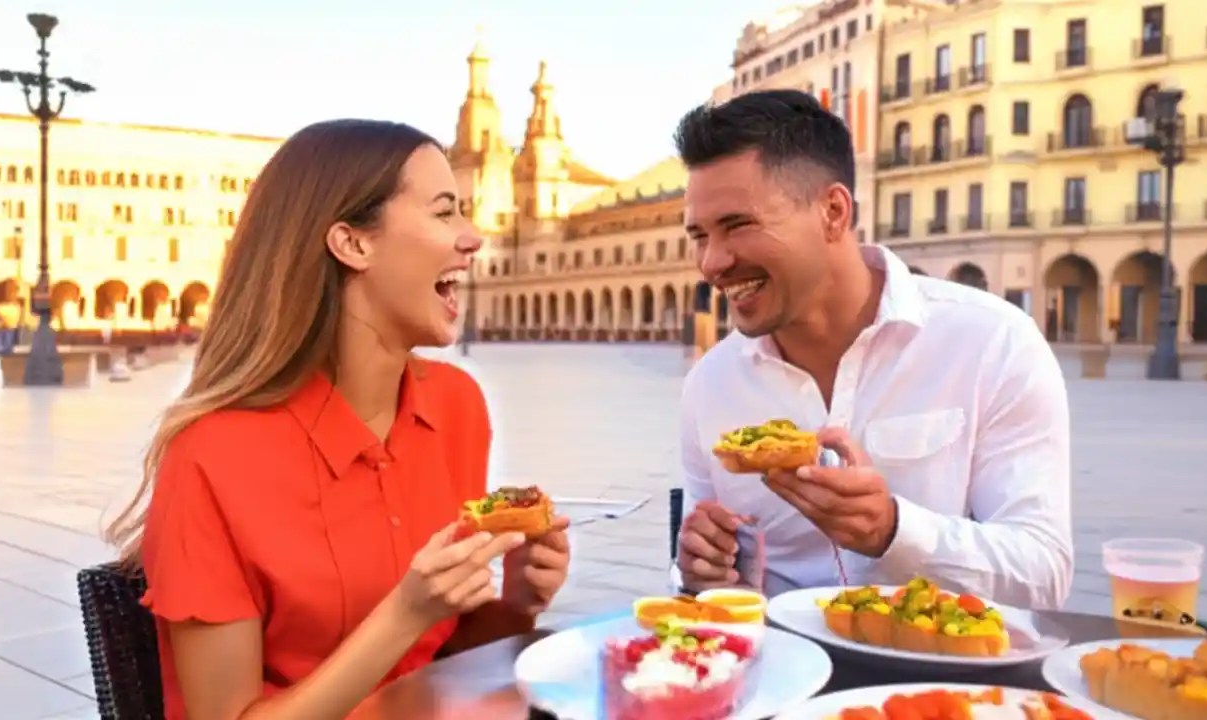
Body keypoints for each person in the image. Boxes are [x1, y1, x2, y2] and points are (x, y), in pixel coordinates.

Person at [103, 119, 571, 720]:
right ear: (353, 243)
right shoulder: (211, 457)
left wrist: (513, 603)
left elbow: (445, 661)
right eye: (444, 212)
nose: (473, 237)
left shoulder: (457, 405)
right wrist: (405, 613)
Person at [671, 90, 1072, 610]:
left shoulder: (992, 343)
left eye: (738, 226)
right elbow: (705, 590)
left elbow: (1042, 575)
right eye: (699, 235)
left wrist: (893, 530)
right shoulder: (711, 386)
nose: (711, 263)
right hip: (777, 675)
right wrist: (704, 569)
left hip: (937, 678)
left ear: (833, 212)